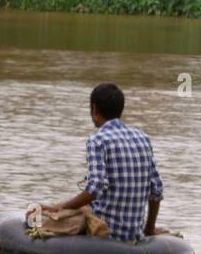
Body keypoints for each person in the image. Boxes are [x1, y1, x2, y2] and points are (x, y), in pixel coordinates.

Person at [41, 82, 166, 241]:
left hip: (105, 231)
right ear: (120, 109)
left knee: (39, 220)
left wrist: (56, 209)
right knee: (79, 207)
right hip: (133, 232)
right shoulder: (143, 138)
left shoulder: (97, 141)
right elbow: (156, 189)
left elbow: (96, 187)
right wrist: (149, 228)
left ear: (94, 110)